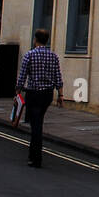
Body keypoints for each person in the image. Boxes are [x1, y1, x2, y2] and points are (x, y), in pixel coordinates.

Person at [15, 28, 63, 167]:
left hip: (33, 93)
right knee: (38, 121)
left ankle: (36, 157)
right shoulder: (53, 56)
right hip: (47, 94)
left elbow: (22, 76)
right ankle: (33, 155)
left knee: (36, 126)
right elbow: (58, 77)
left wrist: (17, 92)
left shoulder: (29, 55)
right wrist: (60, 95)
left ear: (35, 39)